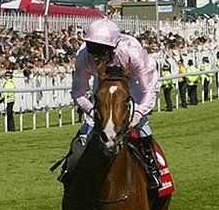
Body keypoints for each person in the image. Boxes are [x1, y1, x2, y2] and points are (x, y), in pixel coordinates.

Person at [60, 19, 162, 189]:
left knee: (144, 131)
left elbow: (149, 90)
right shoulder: (84, 56)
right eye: (92, 48)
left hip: (133, 85)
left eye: (100, 50)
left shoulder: (133, 53)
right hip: (104, 86)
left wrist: (138, 113)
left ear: (113, 47)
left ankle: (154, 171)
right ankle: (69, 171)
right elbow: (78, 93)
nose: (95, 55)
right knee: (83, 135)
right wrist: (94, 112)